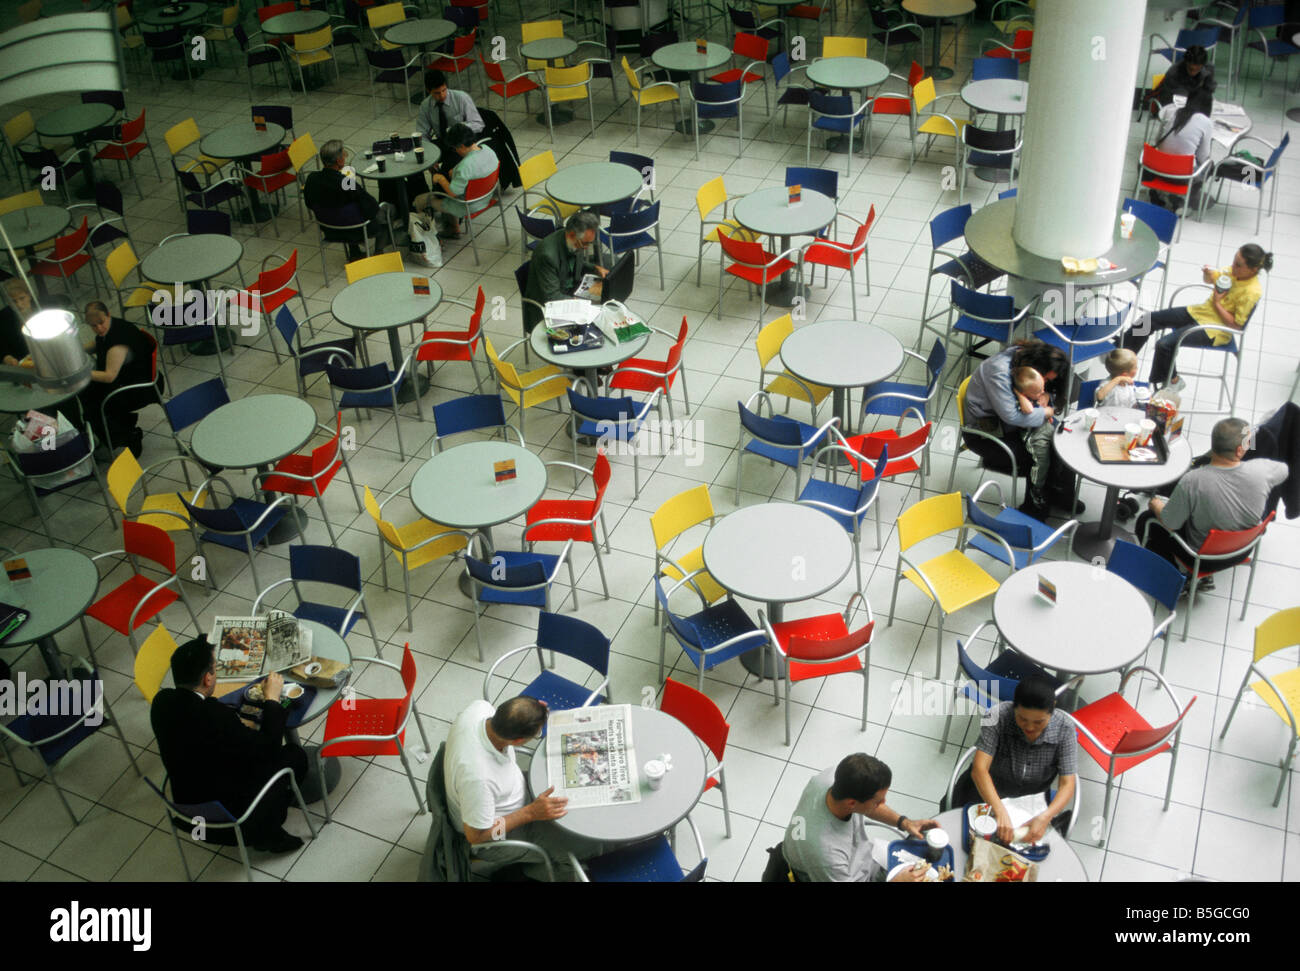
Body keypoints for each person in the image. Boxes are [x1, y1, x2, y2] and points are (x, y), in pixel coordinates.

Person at [150, 636, 309, 853]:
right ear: (208, 678)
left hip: (189, 810)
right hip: (231, 818)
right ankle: (266, 830)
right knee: (294, 755)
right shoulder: (216, 718)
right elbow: (268, 749)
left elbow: (204, 729)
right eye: (215, 669)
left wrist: (237, 728)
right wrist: (272, 699)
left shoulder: (161, 702)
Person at [442, 695, 600, 881]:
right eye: (536, 734)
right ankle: (528, 874)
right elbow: (476, 836)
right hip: (497, 836)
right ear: (517, 741)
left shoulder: (480, 709)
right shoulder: (479, 779)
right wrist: (530, 813)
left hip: (512, 794)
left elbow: (517, 713)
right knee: (578, 850)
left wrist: (533, 710)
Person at [1138, 417, 1287, 583]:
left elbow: (1170, 523)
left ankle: (1175, 578)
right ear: (1239, 450)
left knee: (1146, 520)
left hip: (1200, 558)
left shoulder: (1193, 480)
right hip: (1243, 550)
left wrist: (1157, 505)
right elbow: (1284, 470)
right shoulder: (1262, 470)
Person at [1120, 243, 1271, 390]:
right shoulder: (1231, 272)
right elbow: (1210, 280)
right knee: (1149, 319)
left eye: (1238, 265)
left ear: (1253, 269)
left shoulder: (1252, 292)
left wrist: (1218, 304)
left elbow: (1236, 326)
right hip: (1201, 312)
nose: (1233, 266)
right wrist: (1207, 274)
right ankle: (1122, 358)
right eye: (1234, 260)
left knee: (1165, 344)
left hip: (1217, 330)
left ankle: (1173, 381)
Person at [948, 675, 1077, 845]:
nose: (1030, 727)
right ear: (1013, 707)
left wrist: (1046, 817)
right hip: (986, 792)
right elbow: (979, 769)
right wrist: (999, 810)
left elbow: (1067, 784)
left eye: (1039, 722)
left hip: (1030, 802)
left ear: (1052, 709)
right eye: (1022, 719)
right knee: (964, 840)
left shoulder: (1065, 729)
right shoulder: (998, 716)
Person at [963, 338, 1080, 519]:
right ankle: (1034, 508)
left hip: (1018, 420)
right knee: (1041, 456)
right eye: (1046, 380)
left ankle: (1061, 495)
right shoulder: (998, 371)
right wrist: (1046, 412)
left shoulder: (1027, 359)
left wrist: (1047, 394)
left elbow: (1049, 389)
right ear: (1039, 370)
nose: (1046, 383)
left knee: (1064, 441)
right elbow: (1012, 415)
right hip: (988, 432)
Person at [779, 753, 939, 882]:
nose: (884, 803)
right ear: (851, 803)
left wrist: (904, 822)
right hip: (835, 873)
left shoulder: (833, 779)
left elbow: (869, 808)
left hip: (859, 857)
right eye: (878, 801)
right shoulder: (827, 856)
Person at [75, 301, 159, 458]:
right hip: (135, 377)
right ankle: (115, 429)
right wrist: (76, 350)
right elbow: (98, 342)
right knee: (86, 394)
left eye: (101, 323)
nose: (99, 328)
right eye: (93, 326)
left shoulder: (118, 345)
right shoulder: (115, 326)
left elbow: (109, 376)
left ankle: (127, 436)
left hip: (137, 389)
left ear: (108, 315)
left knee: (92, 404)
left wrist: (80, 373)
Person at [302, 139, 394, 260]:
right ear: (339, 160)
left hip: (329, 229)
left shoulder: (312, 179)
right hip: (355, 231)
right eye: (344, 154)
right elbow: (371, 206)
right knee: (387, 210)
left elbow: (309, 204)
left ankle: (355, 253)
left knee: (345, 211)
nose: (345, 156)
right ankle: (378, 252)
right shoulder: (346, 183)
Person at [522, 210, 608, 335]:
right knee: (592, 325)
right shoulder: (547, 255)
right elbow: (551, 297)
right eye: (585, 244)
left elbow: (574, 263)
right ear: (572, 235)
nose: (587, 248)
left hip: (568, 291)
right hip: (546, 307)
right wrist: (581, 303)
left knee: (603, 303)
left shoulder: (573, 241)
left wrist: (594, 268)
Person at [411, 122, 499, 239]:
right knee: (448, 192)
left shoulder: (465, 167)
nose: (455, 151)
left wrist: (441, 179)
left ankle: (429, 237)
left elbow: (453, 193)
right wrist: (455, 173)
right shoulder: (489, 150)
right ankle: (453, 228)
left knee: (420, 200)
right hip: (486, 197)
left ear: (461, 146)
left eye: (455, 148)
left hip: (468, 205)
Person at [1149, 88, 1214, 211]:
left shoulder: (1171, 112)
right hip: (1181, 176)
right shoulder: (1205, 122)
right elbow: (1203, 157)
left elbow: (1157, 139)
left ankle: (1160, 193)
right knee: (1209, 165)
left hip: (1156, 168)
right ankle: (1183, 200)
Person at [416, 68, 485, 166]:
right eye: (437, 93)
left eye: (444, 90)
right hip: (443, 142)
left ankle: (443, 178)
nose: (442, 95)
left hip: (461, 143)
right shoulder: (425, 105)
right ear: (428, 91)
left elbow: (478, 124)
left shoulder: (461, 98)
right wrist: (428, 154)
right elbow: (422, 134)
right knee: (417, 160)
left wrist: (459, 129)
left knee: (447, 167)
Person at [1150, 44, 1216, 110]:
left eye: (1198, 69)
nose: (1193, 73)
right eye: (1191, 69)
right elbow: (1178, 100)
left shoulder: (1208, 69)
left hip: (1193, 103)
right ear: (1186, 62)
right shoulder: (1174, 73)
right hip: (1171, 104)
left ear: (1202, 65)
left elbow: (1210, 89)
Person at [0, 277, 33, 366]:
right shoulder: (3, 317)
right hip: (22, 361)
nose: (19, 304)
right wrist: (6, 357)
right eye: (13, 301)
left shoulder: (42, 308)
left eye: (22, 298)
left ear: (29, 295)